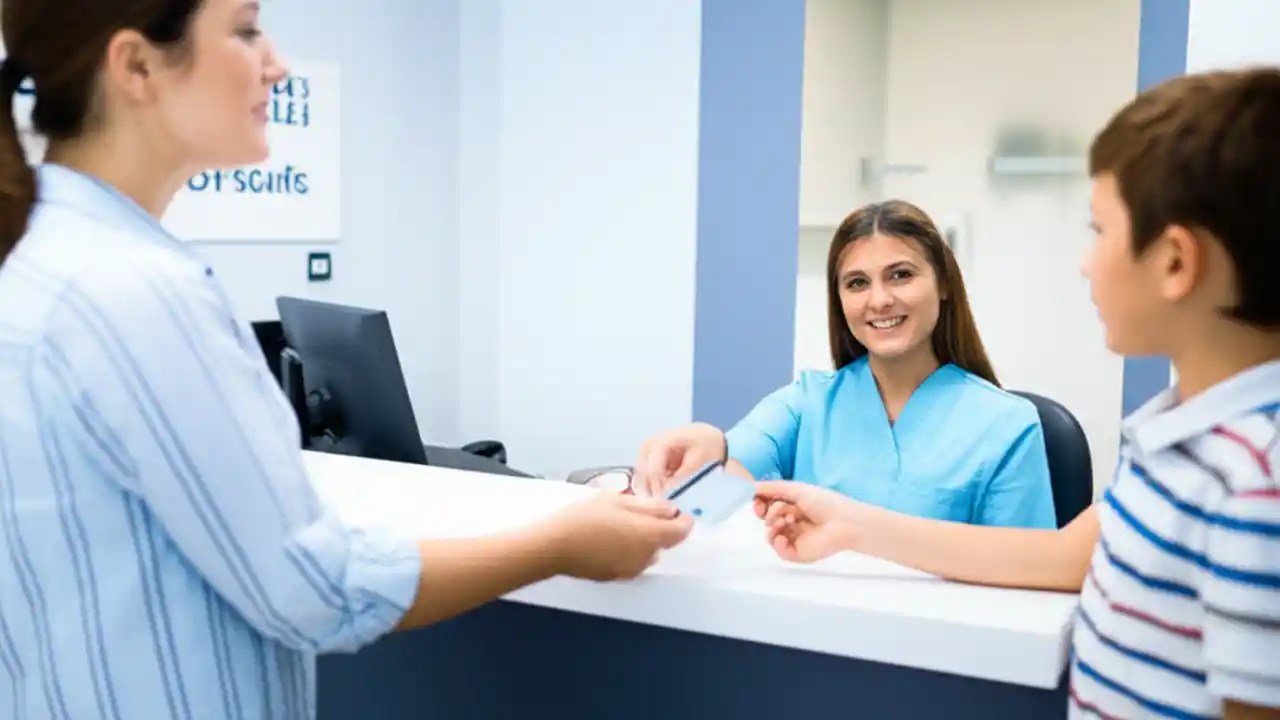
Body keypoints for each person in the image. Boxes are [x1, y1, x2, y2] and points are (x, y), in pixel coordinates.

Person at [0, 1, 692, 717]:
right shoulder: (142, 294)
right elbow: (318, 591)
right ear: (137, 66)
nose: (277, 62)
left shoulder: (35, 258)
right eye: (244, 30)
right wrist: (561, 542)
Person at [755, 66, 1280, 720]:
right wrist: (851, 525)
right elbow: (1058, 557)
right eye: (856, 283)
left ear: (1175, 261)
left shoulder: (1258, 482)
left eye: (1098, 232)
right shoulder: (1173, 438)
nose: (1087, 262)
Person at [634, 200, 1057, 529]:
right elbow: (719, 492)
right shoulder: (806, 403)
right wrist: (706, 444)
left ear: (943, 283)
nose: (879, 300)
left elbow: (1025, 576)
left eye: (901, 275)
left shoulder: (1008, 425)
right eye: (857, 283)